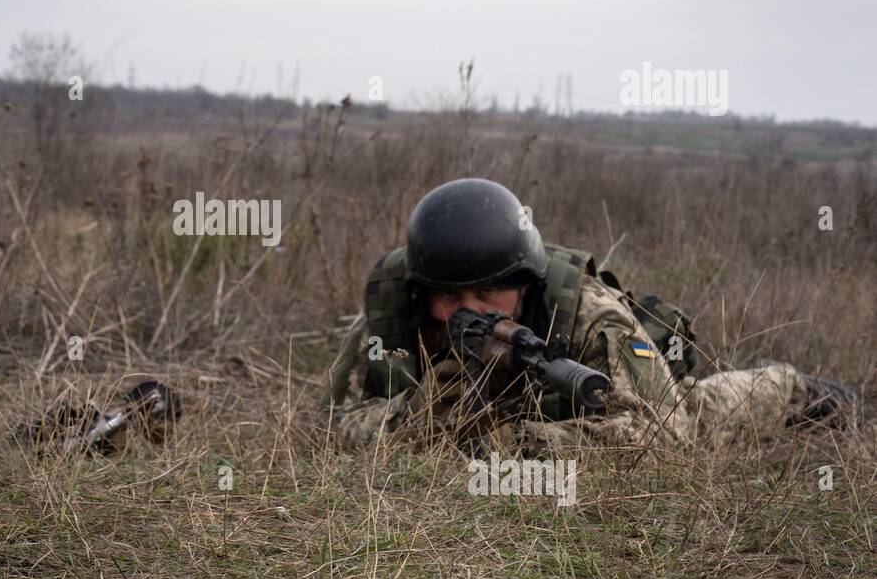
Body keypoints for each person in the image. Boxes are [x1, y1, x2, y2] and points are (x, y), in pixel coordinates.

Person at [318, 178, 858, 453]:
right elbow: (329, 426)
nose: (468, 313)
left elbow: (663, 438)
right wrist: (417, 415)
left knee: (697, 410)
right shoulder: (394, 310)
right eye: (450, 298)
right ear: (423, 292)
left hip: (581, 395)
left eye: (487, 293)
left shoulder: (589, 315)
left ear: (524, 286)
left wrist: (522, 443)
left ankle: (791, 389)